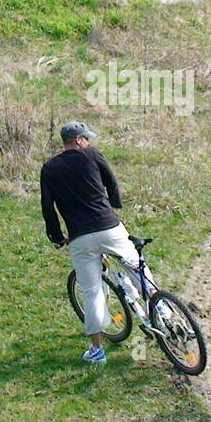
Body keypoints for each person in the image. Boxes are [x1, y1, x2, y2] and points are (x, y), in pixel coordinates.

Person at [40, 121, 141, 365]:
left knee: (92, 293)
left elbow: (47, 207)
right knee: (138, 268)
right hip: (109, 228)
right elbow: (112, 183)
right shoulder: (92, 155)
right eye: (87, 138)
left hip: (80, 238)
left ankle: (97, 351)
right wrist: (114, 208)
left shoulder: (49, 169)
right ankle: (162, 310)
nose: (89, 142)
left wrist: (56, 236)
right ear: (78, 140)